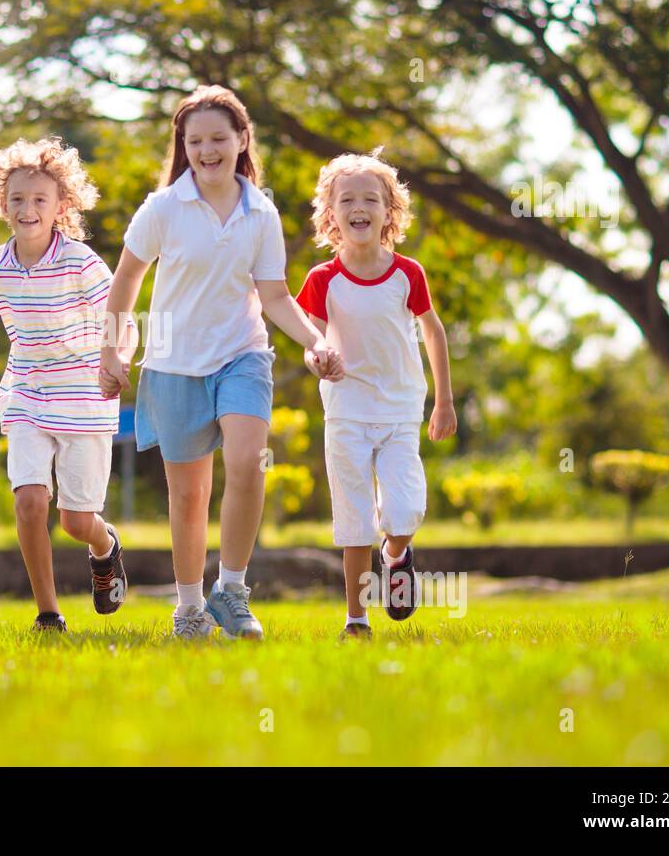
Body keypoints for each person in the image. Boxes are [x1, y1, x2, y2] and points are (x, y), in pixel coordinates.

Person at [99, 85, 341, 640]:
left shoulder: (261, 212)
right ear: (183, 147)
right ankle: (188, 609)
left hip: (242, 356)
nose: (207, 150)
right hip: (173, 365)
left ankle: (231, 590)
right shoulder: (163, 208)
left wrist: (314, 341)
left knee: (249, 460)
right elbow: (126, 280)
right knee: (188, 496)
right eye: (195, 141)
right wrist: (112, 350)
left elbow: (275, 295)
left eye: (218, 139)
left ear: (241, 140)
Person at [0, 137, 137, 632]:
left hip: (85, 401)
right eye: (18, 199)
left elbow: (122, 319)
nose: (28, 209)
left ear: (60, 206)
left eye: (39, 200)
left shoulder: (82, 263)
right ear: (2, 204)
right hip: (25, 394)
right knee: (28, 500)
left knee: (74, 522)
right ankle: (49, 614)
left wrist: (119, 360)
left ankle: (105, 546)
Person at [294, 149, 456, 640]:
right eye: (348, 199)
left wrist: (444, 400)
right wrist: (318, 357)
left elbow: (433, 332)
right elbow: (312, 339)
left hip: (401, 408)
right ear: (331, 213)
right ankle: (357, 619)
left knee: (405, 509)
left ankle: (396, 554)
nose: (359, 206)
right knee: (354, 520)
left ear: (389, 212)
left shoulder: (408, 273)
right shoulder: (322, 279)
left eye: (371, 198)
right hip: (345, 411)